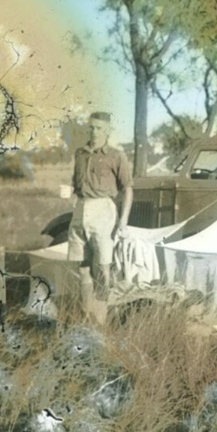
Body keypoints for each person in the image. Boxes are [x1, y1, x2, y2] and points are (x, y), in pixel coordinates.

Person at [67, 111, 133, 322]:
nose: (94, 132)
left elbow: (128, 189)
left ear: (107, 131)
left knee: (103, 266)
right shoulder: (80, 153)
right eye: (91, 127)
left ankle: (102, 318)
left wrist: (123, 220)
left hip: (103, 210)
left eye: (98, 128)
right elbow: (75, 183)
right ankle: (87, 315)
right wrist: (72, 197)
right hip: (81, 209)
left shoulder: (115, 155)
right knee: (82, 265)